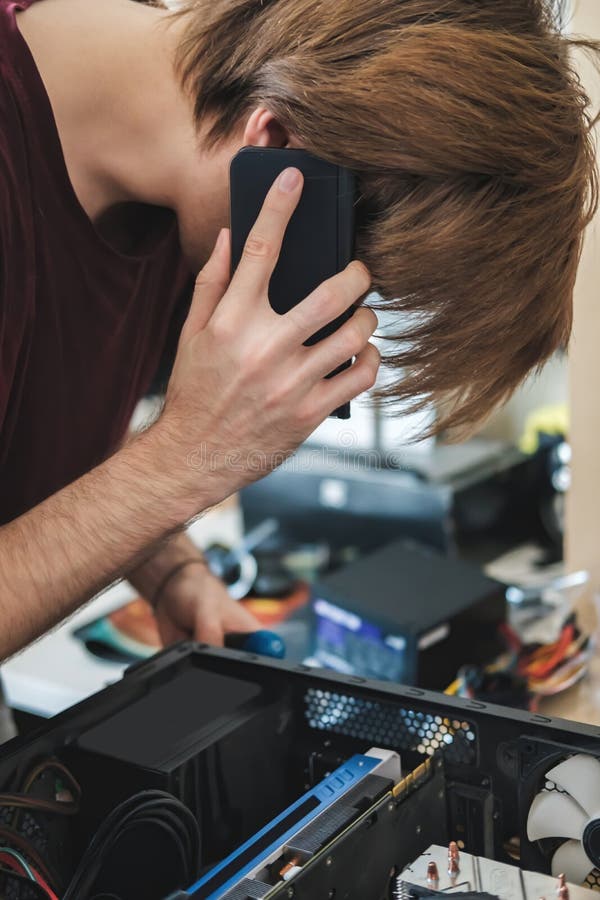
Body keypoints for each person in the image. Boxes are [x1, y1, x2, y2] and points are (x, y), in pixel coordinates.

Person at [0, 0, 596, 665]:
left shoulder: (177, 205)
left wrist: (173, 571)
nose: (331, 303)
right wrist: (186, 457)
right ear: (279, 151)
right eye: (348, 273)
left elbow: (51, 431)